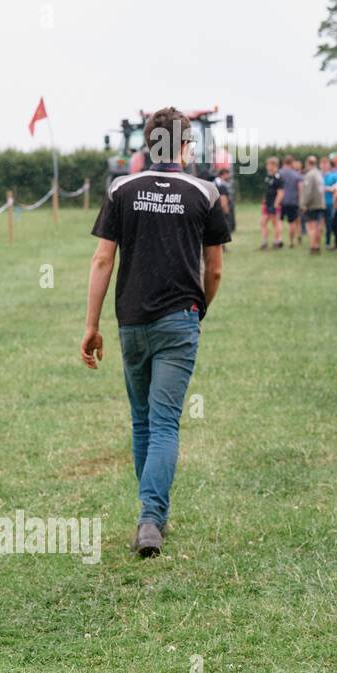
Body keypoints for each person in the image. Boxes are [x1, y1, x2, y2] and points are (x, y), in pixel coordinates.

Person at [80, 106, 230, 557]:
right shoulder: (206, 192)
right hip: (179, 318)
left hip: (131, 321)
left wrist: (91, 325)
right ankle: (151, 518)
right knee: (164, 421)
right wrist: (199, 309)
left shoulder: (122, 189)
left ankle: (150, 516)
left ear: (148, 144)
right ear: (186, 146)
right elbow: (216, 269)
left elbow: (102, 260)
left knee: (142, 419)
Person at [300, 155, 326, 255]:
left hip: (312, 205)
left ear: (307, 163)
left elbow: (308, 192)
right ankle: (317, 245)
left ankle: (313, 246)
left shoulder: (309, 175)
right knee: (318, 226)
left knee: (311, 227)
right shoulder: (319, 173)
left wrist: (304, 204)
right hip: (320, 204)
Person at [279, 155, 303, 247]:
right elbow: (300, 188)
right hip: (293, 201)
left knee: (280, 220)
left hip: (281, 200)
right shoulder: (296, 175)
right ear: (292, 163)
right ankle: (291, 242)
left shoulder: (279, 173)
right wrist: (301, 201)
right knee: (292, 222)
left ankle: (279, 239)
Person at [260, 155, 283, 249]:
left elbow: (281, 193)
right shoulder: (268, 177)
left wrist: (276, 204)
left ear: (274, 165)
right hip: (267, 204)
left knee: (275, 223)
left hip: (274, 204)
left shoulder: (278, 178)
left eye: (269, 165)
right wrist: (264, 200)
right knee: (263, 223)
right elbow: (267, 190)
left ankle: (277, 241)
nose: (267, 167)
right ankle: (265, 242)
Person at [322, 155, 337, 250]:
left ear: (329, 166)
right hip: (320, 203)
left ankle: (329, 242)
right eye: (322, 164)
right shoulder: (319, 176)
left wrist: (328, 189)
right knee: (321, 224)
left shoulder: (334, 176)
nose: (324, 166)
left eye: (326, 164)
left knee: (331, 224)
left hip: (330, 203)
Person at [215, 166, 236, 240]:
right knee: (224, 228)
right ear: (223, 174)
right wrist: (226, 211)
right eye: (227, 174)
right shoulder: (221, 185)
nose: (229, 176)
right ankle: (222, 246)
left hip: (215, 210)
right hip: (222, 210)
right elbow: (223, 199)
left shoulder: (215, 182)